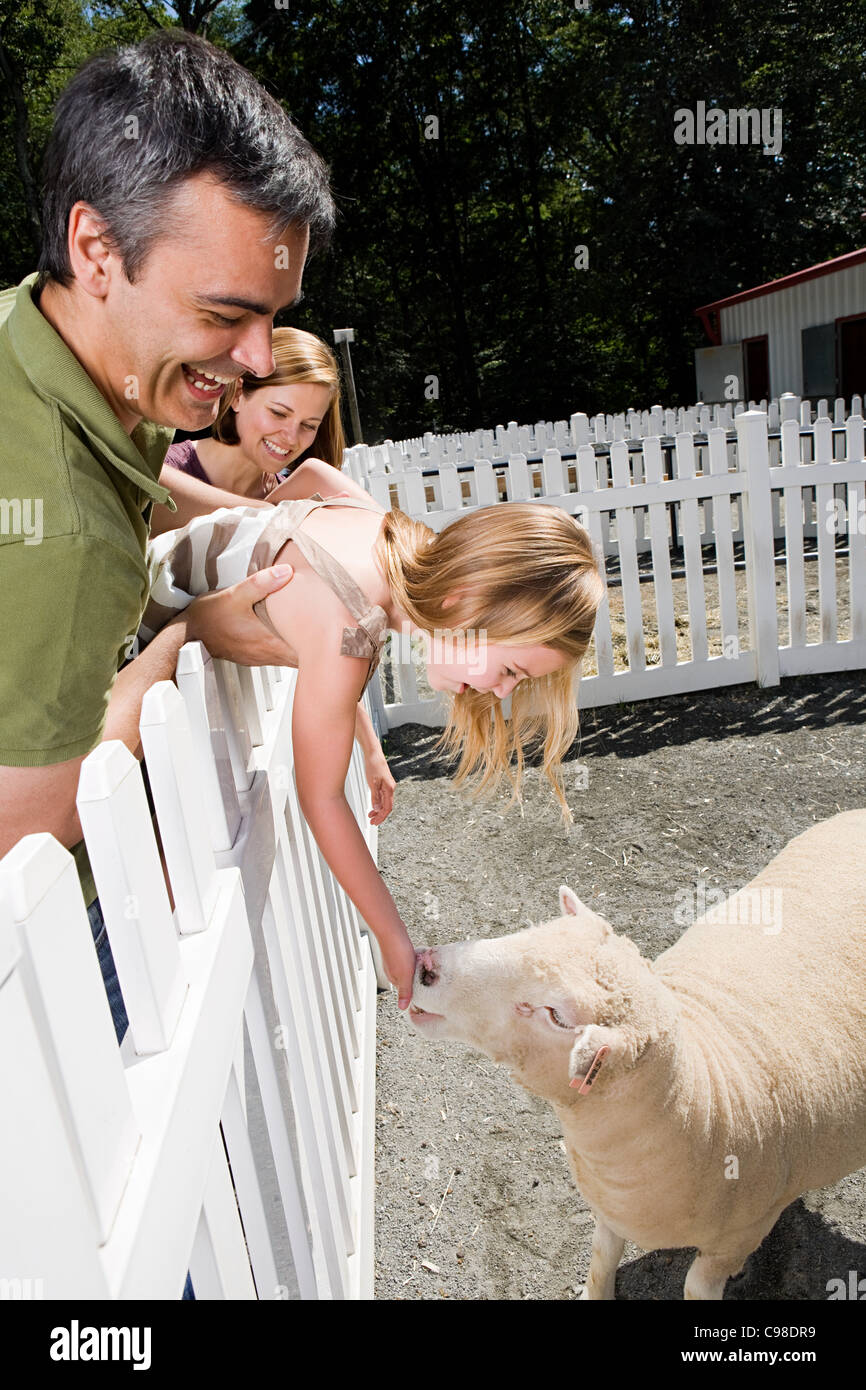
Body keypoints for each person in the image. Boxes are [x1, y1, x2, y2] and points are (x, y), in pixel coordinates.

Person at [0, 29, 336, 1299]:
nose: (256, 363)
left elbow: (138, 502)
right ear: (96, 247)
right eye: (226, 315)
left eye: (273, 319)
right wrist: (189, 639)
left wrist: (267, 529)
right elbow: (28, 837)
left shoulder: (44, 363)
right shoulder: (57, 538)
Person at [140, 457, 605, 1008]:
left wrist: (266, 531)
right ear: (466, 599)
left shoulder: (384, 530)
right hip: (130, 648)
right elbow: (322, 798)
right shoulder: (350, 623)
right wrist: (392, 936)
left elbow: (312, 473)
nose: (501, 694)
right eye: (509, 671)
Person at [163, 326, 345, 500]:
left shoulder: (295, 503)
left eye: (308, 425)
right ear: (238, 395)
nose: (291, 438)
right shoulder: (160, 470)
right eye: (278, 413)